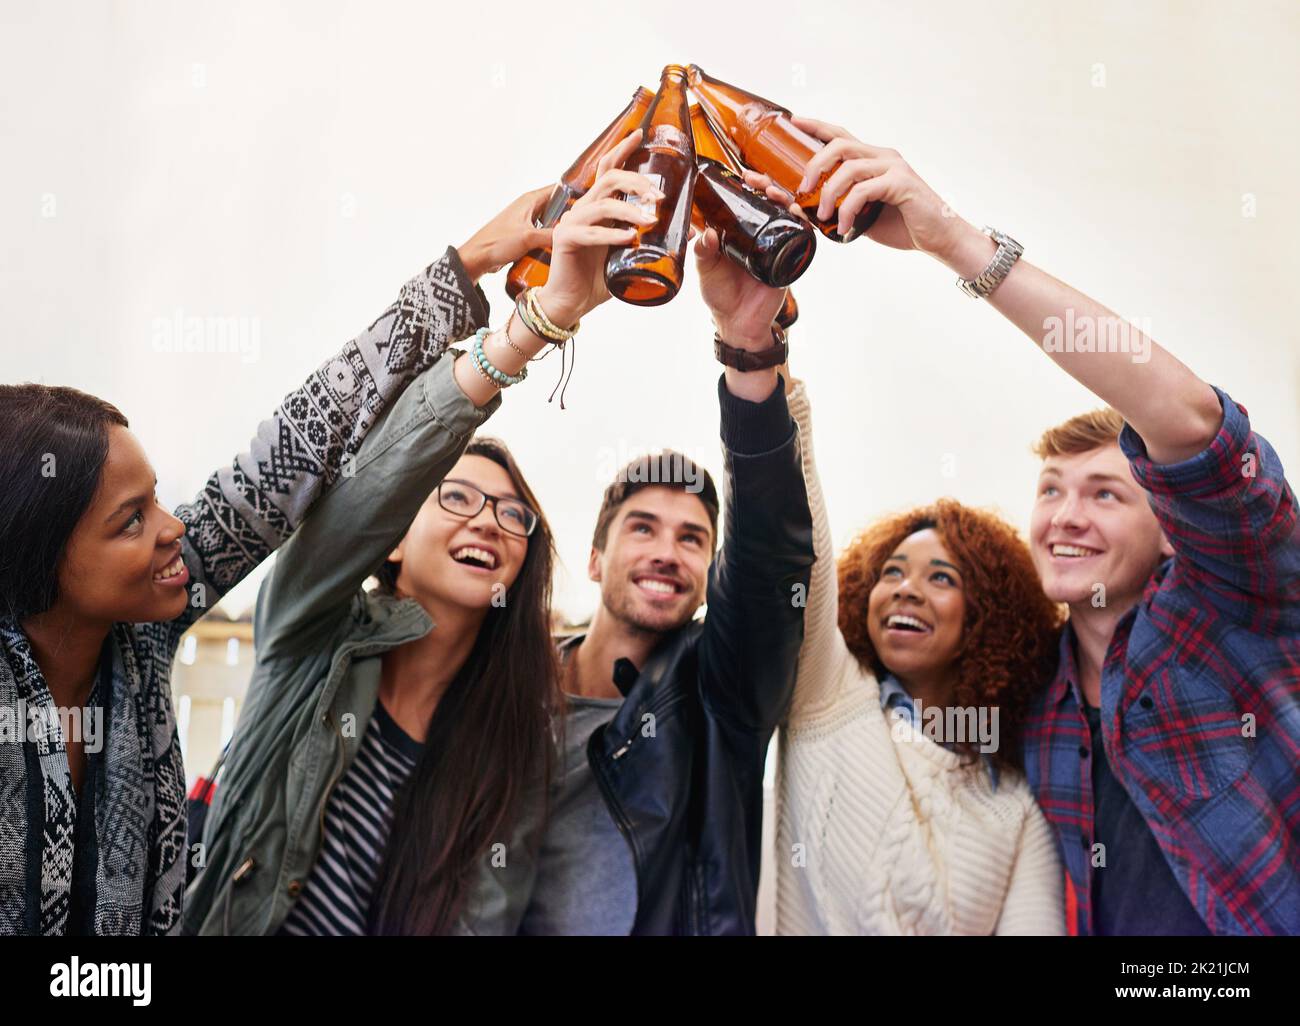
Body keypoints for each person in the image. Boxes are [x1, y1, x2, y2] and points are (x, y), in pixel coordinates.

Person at [753, 119, 1300, 934]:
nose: (1067, 516)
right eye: (1051, 490)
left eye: (1107, 495)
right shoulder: (1027, 697)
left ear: (1172, 527)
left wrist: (953, 241)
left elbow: (1191, 425)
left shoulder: (1231, 606)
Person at [182, 131, 667, 935]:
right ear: (395, 540)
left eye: (513, 516)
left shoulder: (509, 742)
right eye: (457, 499)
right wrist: (535, 324)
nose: (488, 520)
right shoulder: (311, 640)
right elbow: (369, 489)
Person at [514, 223, 816, 935]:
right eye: (643, 527)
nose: (666, 553)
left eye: (692, 540)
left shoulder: (720, 694)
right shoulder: (508, 684)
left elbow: (770, 559)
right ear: (594, 559)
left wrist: (747, 354)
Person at [774, 366, 1065, 935]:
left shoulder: (1014, 806)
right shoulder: (830, 696)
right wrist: (773, 373)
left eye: (941, 578)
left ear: (987, 618)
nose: (907, 588)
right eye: (893, 573)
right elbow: (799, 534)